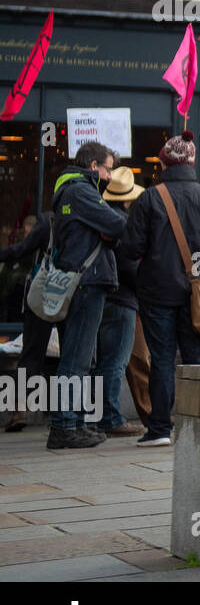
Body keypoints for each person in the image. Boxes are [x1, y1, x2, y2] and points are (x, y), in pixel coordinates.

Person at [119, 131, 200, 447]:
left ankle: (159, 430)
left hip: (157, 292)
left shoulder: (151, 198)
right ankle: (197, 426)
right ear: (192, 162)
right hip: (198, 293)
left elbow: (131, 248)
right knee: (196, 358)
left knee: (163, 358)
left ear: (164, 163)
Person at [46, 142, 123, 450]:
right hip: (86, 282)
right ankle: (65, 426)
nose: (109, 175)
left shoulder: (70, 190)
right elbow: (117, 224)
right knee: (76, 359)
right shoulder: (81, 190)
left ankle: (74, 422)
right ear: (94, 166)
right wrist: (110, 223)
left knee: (80, 357)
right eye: (107, 168)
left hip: (80, 281)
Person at [90, 165, 147, 437]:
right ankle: (110, 418)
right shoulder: (123, 223)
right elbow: (129, 266)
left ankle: (98, 414)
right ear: (128, 198)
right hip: (123, 299)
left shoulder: (100, 217)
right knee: (115, 361)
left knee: (103, 360)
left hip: (101, 296)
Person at [0, 210, 54, 433]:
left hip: (43, 297)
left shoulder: (48, 221)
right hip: (73, 296)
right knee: (71, 355)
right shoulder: (89, 216)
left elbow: (21, 250)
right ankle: (68, 415)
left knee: (31, 353)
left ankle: (20, 407)